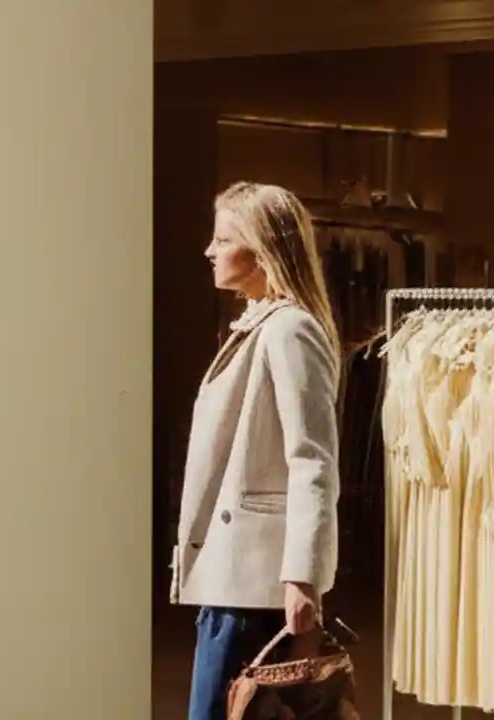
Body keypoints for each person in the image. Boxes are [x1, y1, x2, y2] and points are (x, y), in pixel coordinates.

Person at [171, 181, 341, 720]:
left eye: (224, 239)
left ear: (262, 248)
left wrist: (303, 575)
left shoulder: (289, 330)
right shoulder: (260, 325)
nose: (210, 251)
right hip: (233, 577)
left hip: (257, 582)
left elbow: (312, 459)